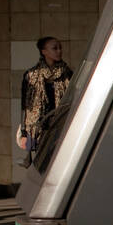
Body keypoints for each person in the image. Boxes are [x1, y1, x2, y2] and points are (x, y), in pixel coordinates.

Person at [17, 37, 73, 166]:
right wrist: (25, 132)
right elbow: (25, 106)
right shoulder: (31, 75)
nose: (59, 51)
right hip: (39, 127)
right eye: (54, 48)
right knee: (41, 165)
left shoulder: (67, 73)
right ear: (44, 51)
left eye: (60, 48)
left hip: (60, 124)